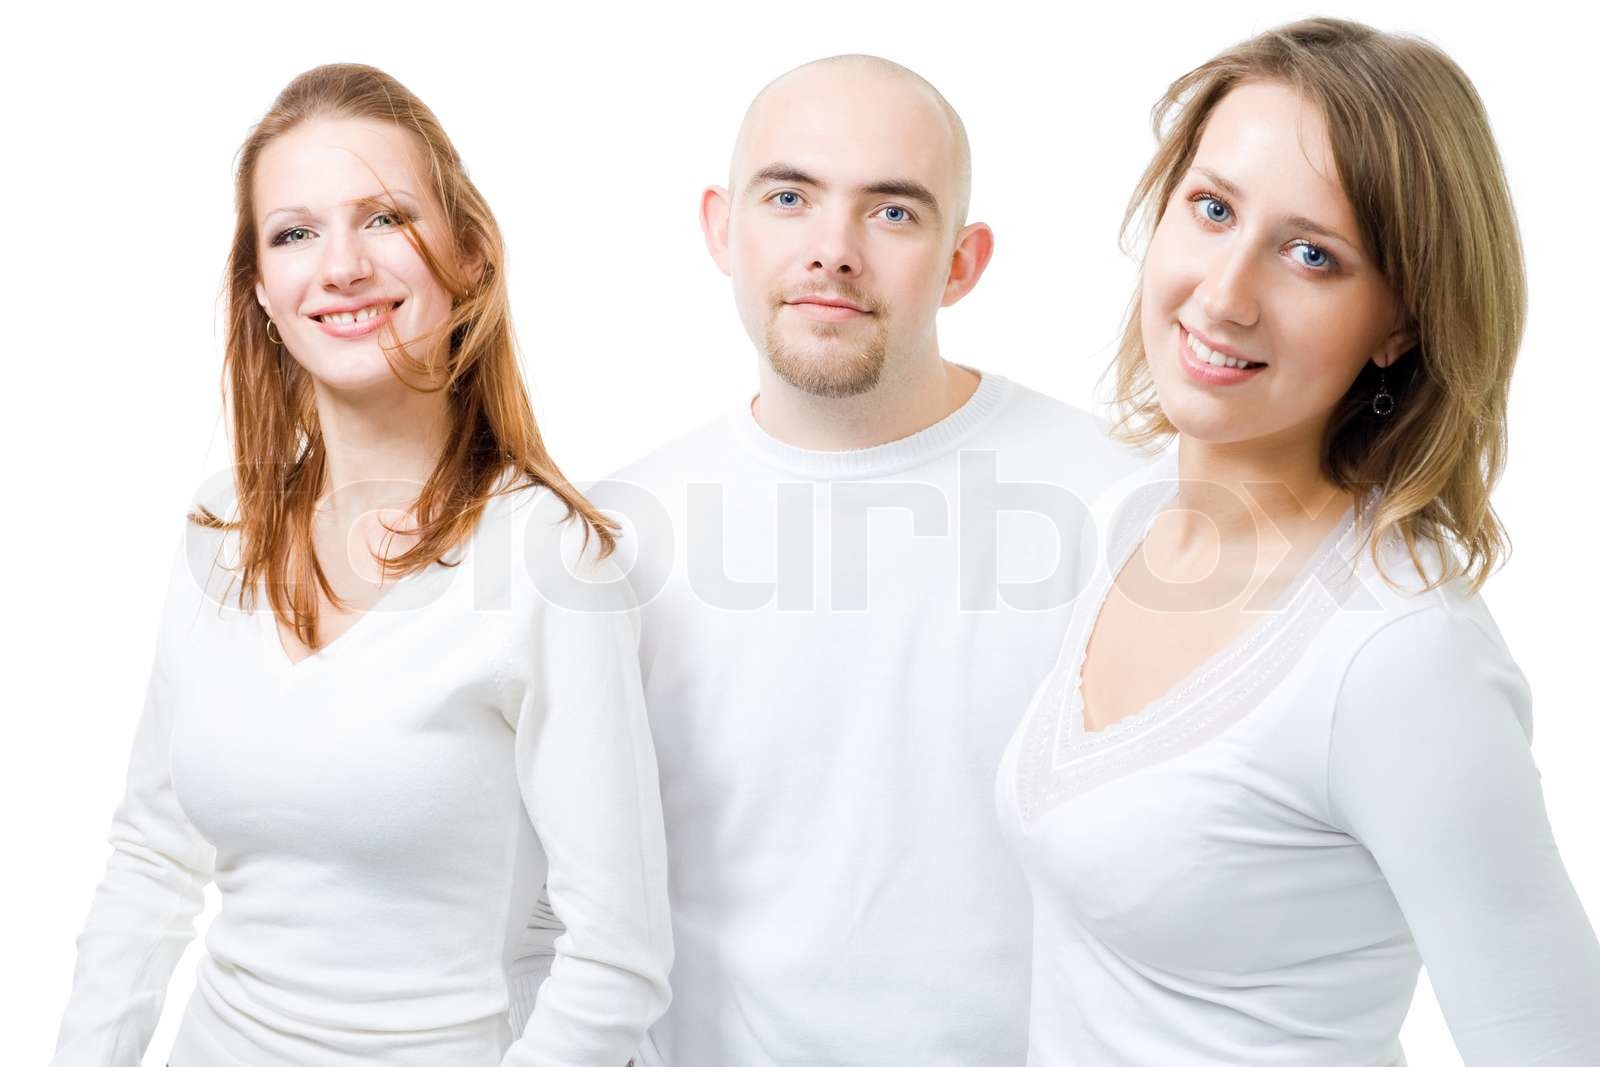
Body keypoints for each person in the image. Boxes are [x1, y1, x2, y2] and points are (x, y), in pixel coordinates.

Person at [513, 55, 1143, 1065]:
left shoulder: (1118, 504)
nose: (831, 250)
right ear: (723, 227)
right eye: (790, 196)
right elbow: (556, 916)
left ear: (962, 261)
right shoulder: (614, 540)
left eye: (892, 213)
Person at [996, 18, 1600, 1065]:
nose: (1223, 294)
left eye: (1312, 254)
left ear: (1399, 323)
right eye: (1212, 208)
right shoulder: (1123, 516)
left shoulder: (1397, 655)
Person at [51, 63, 671, 1067]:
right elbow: (152, 859)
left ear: (469, 256)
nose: (338, 266)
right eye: (294, 232)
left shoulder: (553, 560)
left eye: (382, 218)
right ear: (261, 287)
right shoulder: (220, 523)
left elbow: (616, 958)